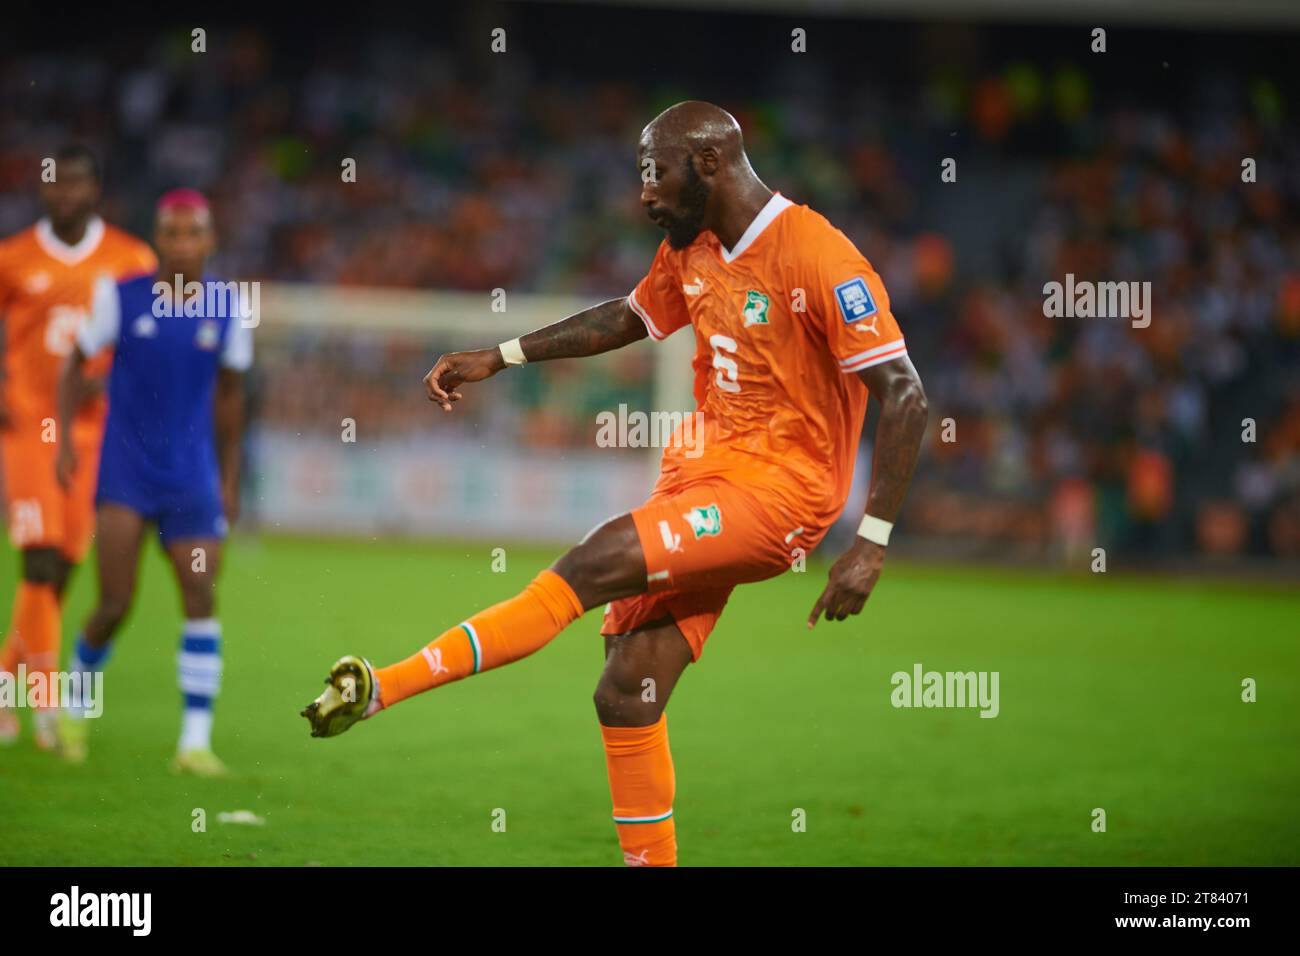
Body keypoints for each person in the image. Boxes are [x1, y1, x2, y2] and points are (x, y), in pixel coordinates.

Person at [302, 101, 928, 865]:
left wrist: (871, 543)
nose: (643, 193)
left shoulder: (819, 257)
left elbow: (905, 393)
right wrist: (500, 355)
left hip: (778, 497)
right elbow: (628, 317)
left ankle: (382, 688)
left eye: (653, 172)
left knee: (591, 561)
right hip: (701, 476)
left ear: (707, 164)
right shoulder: (692, 246)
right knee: (625, 688)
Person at [57, 189, 250, 774]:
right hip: (126, 476)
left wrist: (231, 477)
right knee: (115, 603)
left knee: (200, 595)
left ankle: (194, 742)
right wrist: (63, 436)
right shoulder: (121, 297)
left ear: (210, 240)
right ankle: (74, 702)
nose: (184, 243)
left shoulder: (226, 306)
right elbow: (75, 364)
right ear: (158, 239)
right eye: (173, 232)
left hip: (191, 479)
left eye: (194, 233)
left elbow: (232, 396)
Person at [0, 145, 155, 750]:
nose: (64, 194)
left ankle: (7, 687)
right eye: (54, 184)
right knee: (37, 559)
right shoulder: (13, 257)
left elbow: (148, 333)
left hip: (98, 434)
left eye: (76, 184)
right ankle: (45, 708)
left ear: (95, 190)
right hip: (31, 428)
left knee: (61, 571)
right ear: (43, 191)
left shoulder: (130, 257)